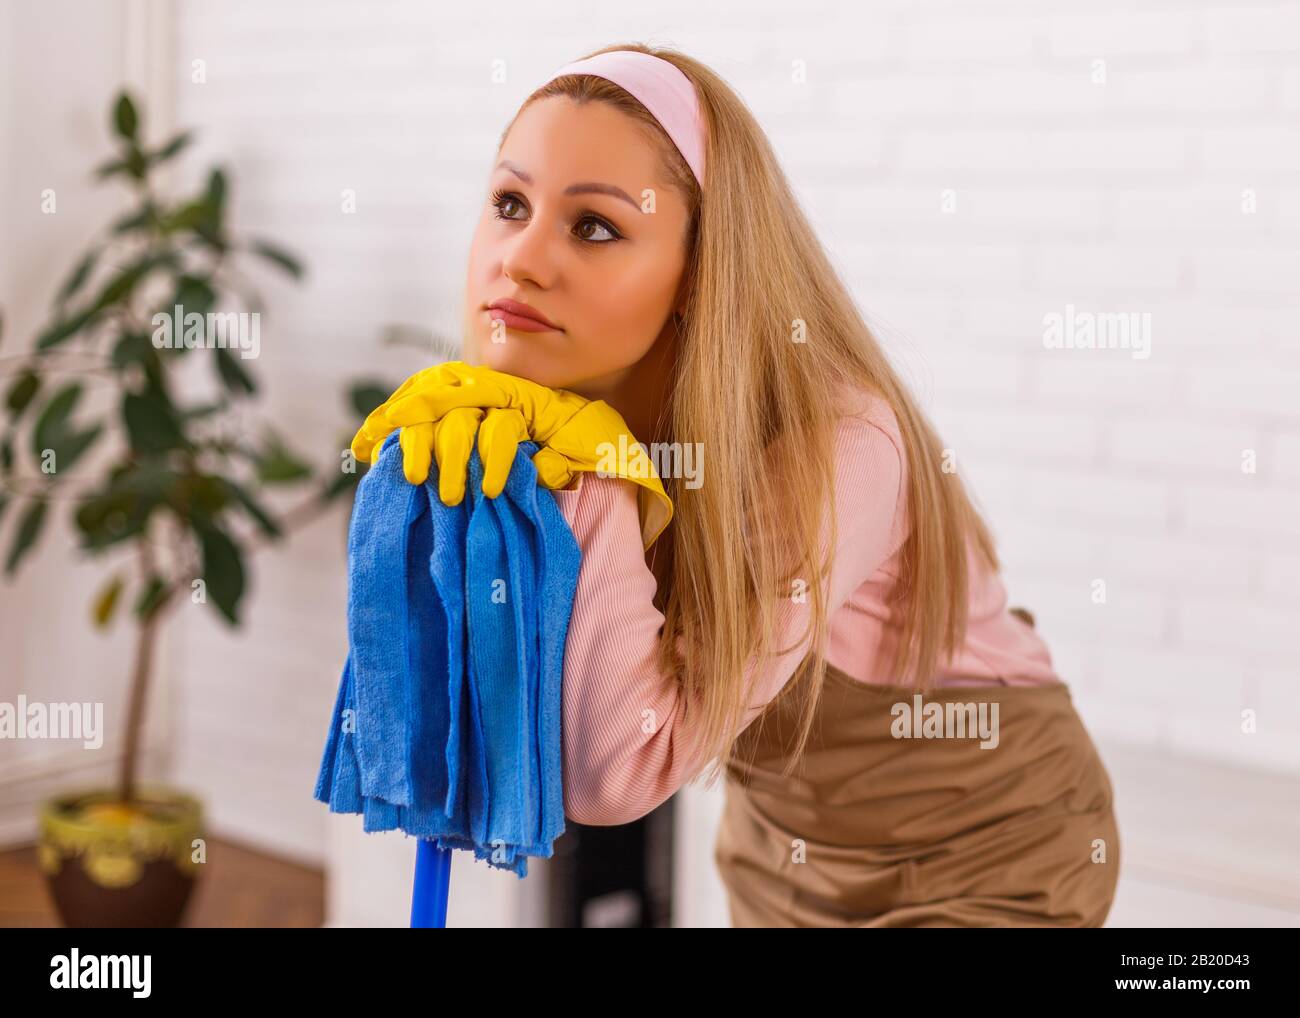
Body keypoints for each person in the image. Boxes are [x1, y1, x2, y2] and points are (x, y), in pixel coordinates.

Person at [358, 43, 1121, 927]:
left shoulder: (840, 444)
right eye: (509, 204)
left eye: (594, 225)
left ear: (700, 273)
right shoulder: (551, 422)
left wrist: (603, 474)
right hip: (783, 856)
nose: (519, 260)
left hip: (987, 845)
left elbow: (617, 774)